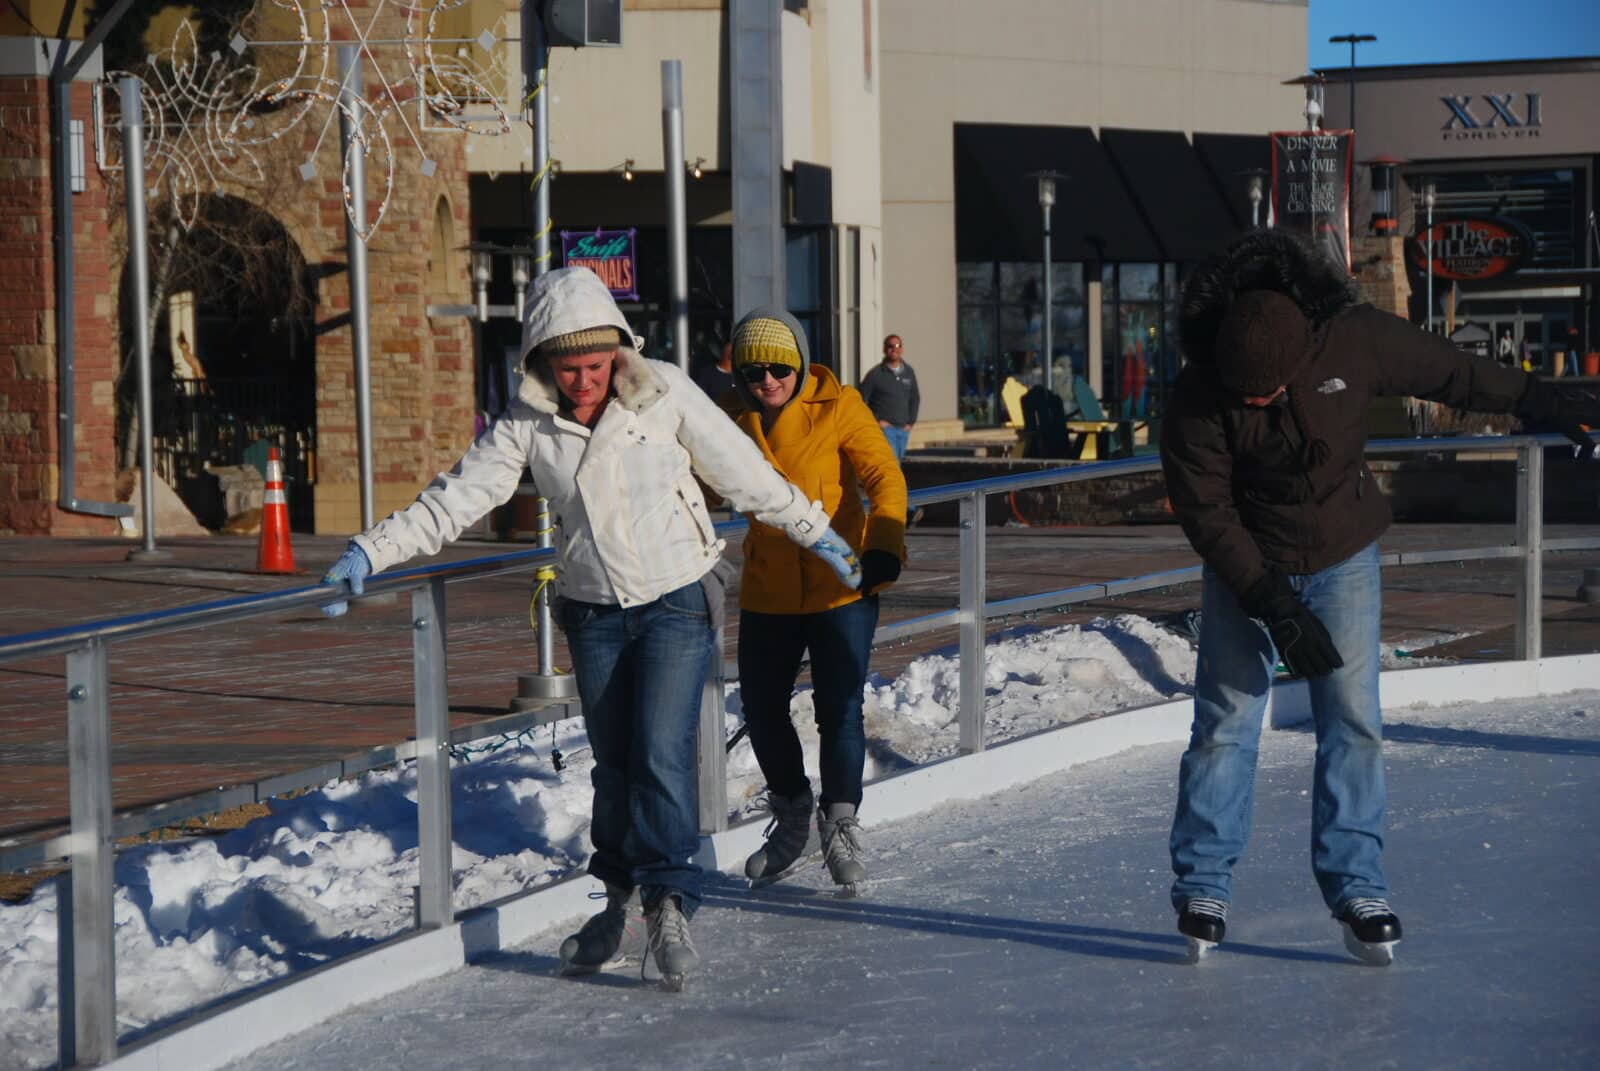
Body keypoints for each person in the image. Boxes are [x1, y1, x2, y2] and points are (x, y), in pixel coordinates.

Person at [318, 267, 863, 988]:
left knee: (662, 752)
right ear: (542, 361)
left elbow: (741, 470)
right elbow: (457, 498)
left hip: (675, 595)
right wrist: (372, 549)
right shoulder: (525, 421)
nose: (584, 382)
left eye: (596, 365)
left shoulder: (661, 388)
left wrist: (813, 528)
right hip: (594, 608)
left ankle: (670, 897)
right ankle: (617, 898)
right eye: (568, 368)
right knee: (613, 765)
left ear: (619, 353)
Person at [1160, 230, 1598, 967]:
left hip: (1342, 555)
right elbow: (1206, 510)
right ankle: (1203, 883)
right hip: (1248, 565)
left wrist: (1541, 398)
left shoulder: (1353, 341)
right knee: (1226, 723)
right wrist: (1271, 598)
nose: (1255, 401)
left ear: (1300, 359)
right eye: (1245, 394)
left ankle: (1358, 885)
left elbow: (1451, 372)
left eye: (1265, 391)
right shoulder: (1200, 392)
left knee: (1354, 718)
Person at [716, 309, 907, 892]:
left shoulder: (841, 406)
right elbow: (694, 480)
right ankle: (795, 816)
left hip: (839, 586)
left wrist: (884, 545)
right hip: (769, 590)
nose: (767, 380)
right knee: (763, 708)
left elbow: (884, 477)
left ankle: (842, 824)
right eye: (753, 371)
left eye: (779, 367)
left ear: (799, 363)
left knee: (839, 710)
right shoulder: (732, 422)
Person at [859, 334, 920, 462]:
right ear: (884, 349)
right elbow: (860, 400)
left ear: (902, 349)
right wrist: (877, 421)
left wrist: (911, 422)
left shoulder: (909, 372)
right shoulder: (875, 374)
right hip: (886, 430)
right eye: (890, 346)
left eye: (897, 346)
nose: (894, 349)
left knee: (898, 464)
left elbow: (915, 397)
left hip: (904, 430)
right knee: (892, 465)